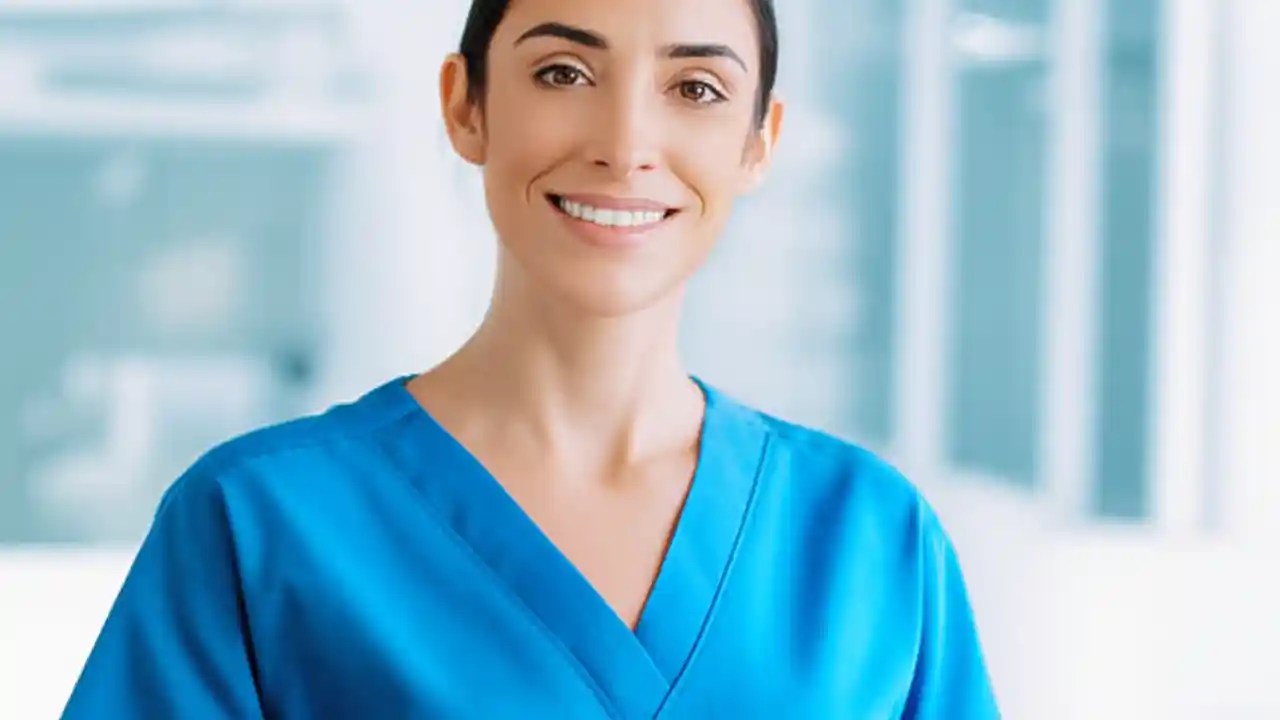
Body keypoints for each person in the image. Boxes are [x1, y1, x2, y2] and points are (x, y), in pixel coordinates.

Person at [63, 0, 998, 717]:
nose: (626, 145)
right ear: (465, 107)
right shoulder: (256, 524)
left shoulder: (871, 540)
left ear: (760, 144)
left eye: (697, 89)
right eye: (562, 72)